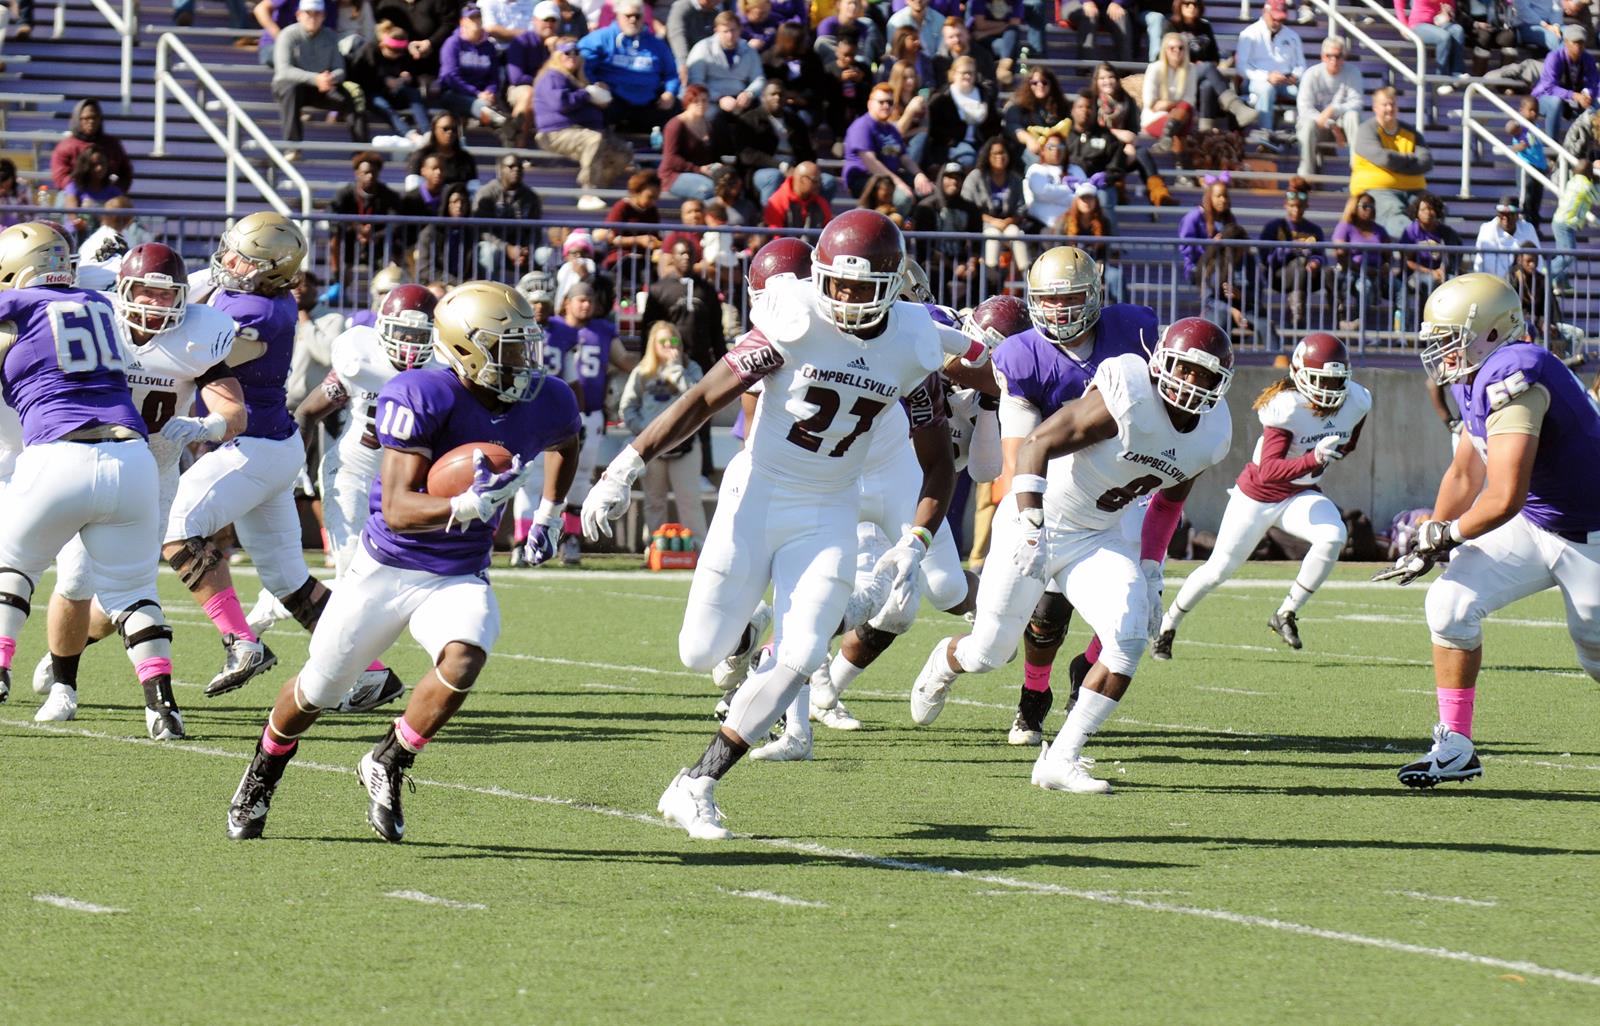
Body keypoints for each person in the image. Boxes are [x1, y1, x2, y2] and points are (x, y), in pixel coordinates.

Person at [580, 209, 988, 837]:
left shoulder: (913, 342)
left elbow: (940, 465)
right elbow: (702, 398)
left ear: (891, 283)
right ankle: (745, 637)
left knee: (800, 654)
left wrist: (915, 540)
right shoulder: (791, 317)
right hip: (759, 497)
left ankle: (697, 782)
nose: (846, 299)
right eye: (836, 284)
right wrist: (626, 465)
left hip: (828, 508)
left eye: (861, 287)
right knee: (699, 652)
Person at [224, 281, 582, 842]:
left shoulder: (548, 398)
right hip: (387, 567)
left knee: (465, 658)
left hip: (458, 572)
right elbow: (396, 509)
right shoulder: (422, 393)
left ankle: (389, 759)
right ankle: (262, 774)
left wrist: (550, 515)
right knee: (317, 691)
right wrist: (461, 503)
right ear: (465, 348)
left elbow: (568, 440)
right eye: (507, 348)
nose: (524, 361)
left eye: (526, 346)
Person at [910, 317, 1234, 793]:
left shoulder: (1211, 434)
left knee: (1127, 637)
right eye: (1184, 369)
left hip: (1097, 536)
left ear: (1220, 383)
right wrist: (1028, 523)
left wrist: (1149, 568)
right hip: (1037, 521)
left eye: (1203, 376)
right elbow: (1038, 443)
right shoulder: (1128, 390)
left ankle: (1061, 757)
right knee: (990, 652)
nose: (1190, 383)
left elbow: (1169, 501)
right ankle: (946, 659)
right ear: (1161, 360)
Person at [1375, 273, 1600, 789]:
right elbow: (1465, 471)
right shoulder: (1471, 374)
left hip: (1590, 531)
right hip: (1536, 523)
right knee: (1449, 606)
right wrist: (1431, 532)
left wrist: (1447, 536)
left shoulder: (1517, 377)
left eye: (1450, 335)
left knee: (1595, 653)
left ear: (1495, 333)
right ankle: (1454, 747)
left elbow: (1503, 497)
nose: (1440, 348)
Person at [166, 214, 399, 707]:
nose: (227, 261)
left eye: (240, 257)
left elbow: (205, 354)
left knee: (177, 527)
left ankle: (241, 641)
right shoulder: (253, 292)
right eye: (229, 251)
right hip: (269, 446)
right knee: (289, 581)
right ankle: (373, 673)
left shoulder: (262, 311)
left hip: (254, 448)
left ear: (268, 269)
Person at [25, 243, 243, 730]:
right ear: (122, 289)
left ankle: (74, 649)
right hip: (89, 461)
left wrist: (207, 428)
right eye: (145, 291)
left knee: (129, 590)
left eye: (166, 296)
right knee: (77, 579)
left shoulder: (196, 340)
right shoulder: (98, 326)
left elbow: (234, 412)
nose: (154, 303)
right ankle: (66, 685)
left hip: (154, 476)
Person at [0, 223, 182, 732]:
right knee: (133, 591)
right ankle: (162, 703)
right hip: (133, 460)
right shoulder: (99, 303)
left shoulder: (19, 304)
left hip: (60, 453)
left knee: (13, 568)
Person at [1156, 333, 1370, 657]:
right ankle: (1167, 626)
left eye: (1334, 382)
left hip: (1299, 495)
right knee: (1218, 571)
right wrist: (1315, 458)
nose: (1328, 391)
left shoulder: (1357, 400)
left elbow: (1348, 440)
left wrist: (1331, 453)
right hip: (1257, 496)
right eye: (1320, 381)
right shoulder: (1286, 407)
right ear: (1299, 374)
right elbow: (1269, 469)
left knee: (1333, 535)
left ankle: (1286, 612)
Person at [293, 284, 438, 577]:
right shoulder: (362, 360)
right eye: (401, 333)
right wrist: (294, 464)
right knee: (353, 571)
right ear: (382, 328)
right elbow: (307, 411)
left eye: (418, 336)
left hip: (404, 487)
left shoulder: (441, 372)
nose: (409, 344)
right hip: (352, 473)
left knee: (399, 577)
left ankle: (277, 604)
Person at [553, 281, 631, 563]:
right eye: (580, 299)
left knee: (581, 476)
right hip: (553, 411)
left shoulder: (602, 330)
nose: (585, 305)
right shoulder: (552, 327)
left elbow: (622, 360)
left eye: (589, 300)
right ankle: (538, 536)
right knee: (539, 481)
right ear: (566, 302)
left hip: (590, 413)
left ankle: (571, 538)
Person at [620, 320, 709, 540]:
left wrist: (676, 370)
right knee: (654, 501)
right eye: (663, 342)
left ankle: (698, 551)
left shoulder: (691, 368)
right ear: (654, 345)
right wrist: (644, 431)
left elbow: (698, 399)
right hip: (653, 449)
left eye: (674, 340)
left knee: (689, 501)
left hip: (685, 445)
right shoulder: (643, 372)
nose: (670, 345)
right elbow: (627, 407)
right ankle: (654, 548)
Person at [534, 37, 634, 213]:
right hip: (555, 133)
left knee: (624, 151)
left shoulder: (578, 79)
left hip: (581, 130)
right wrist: (587, 94)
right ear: (557, 55)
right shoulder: (552, 76)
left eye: (576, 52)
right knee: (593, 140)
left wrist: (599, 96)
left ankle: (598, 186)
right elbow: (561, 103)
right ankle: (587, 193)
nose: (572, 56)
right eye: (567, 52)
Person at [271, 0, 366, 149]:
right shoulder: (287, 34)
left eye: (317, 14)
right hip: (293, 85)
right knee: (290, 89)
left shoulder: (330, 36)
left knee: (354, 96)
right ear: (299, 15)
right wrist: (315, 78)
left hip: (322, 86)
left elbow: (340, 68)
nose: (313, 18)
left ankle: (362, 150)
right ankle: (292, 146)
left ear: (323, 16)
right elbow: (284, 70)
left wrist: (331, 78)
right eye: (308, 14)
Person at [580, 0, 680, 131]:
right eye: (628, 16)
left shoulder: (656, 44)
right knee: (593, 100)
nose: (633, 20)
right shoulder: (601, 38)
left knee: (676, 108)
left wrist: (670, 93)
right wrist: (594, 82)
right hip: (613, 98)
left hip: (647, 99)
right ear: (618, 15)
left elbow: (671, 74)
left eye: (637, 16)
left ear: (643, 17)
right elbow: (581, 64)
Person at [1351, 85, 1434, 238]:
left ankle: (1435, 251)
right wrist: (1410, 160)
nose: (1389, 108)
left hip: (1414, 191)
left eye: (1393, 104)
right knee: (1394, 214)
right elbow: (1385, 158)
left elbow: (1426, 162)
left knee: (1433, 210)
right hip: (1378, 191)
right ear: (1375, 107)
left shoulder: (1411, 132)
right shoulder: (1366, 130)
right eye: (1385, 104)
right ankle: (1420, 243)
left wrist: (1395, 165)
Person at [729, 81, 821, 204]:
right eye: (773, 94)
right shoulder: (749, 120)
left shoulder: (795, 121)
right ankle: (769, 220)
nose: (777, 97)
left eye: (781, 94)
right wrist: (781, 166)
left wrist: (803, 170)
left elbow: (807, 151)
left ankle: (816, 220)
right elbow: (747, 155)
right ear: (763, 97)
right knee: (773, 176)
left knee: (826, 181)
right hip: (763, 169)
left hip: (795, 169)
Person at [328, 151, 405, 297]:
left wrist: (376, 235)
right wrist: (356, 228)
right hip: (350, 240)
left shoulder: (389, 195)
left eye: (373, 173)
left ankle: (390, 286)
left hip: (379, 243)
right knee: (334, 238)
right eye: (365, 172)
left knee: (397, 244)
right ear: (357, 173)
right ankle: (337, 283)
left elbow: (396, 222)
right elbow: (333, 215)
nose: (370, 176)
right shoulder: (345, 194)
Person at [842, 82, 932, 201]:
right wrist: (898, 183)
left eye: (889, 102)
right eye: (881, 102)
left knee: (929, 190)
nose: (886, 106)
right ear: (870, 104)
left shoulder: (891, 129)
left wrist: (919, 175)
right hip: (866, 179)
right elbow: (871, 163)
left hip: (890, 178)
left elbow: (904, 158)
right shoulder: (862, 126)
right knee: (902, 198)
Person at [1258, 178, 1326, 327]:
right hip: (1278, 275)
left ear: (1306, 205)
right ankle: (1297, 316)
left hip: (1309, 276)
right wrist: (1290, 248)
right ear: (1286, 205)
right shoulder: (1274, 226)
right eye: (1292, 206)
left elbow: (1321, 255)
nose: (1296, 210)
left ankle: (1340, 320)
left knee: (1330, 273)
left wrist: (1316, 262)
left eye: (1300, 206)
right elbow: (1266, 259)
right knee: (1299, 265)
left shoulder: (1314, 229)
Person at [348, 21, 433, 139]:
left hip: (395, 93)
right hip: (371, 94)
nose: (397, 55)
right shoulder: (369, 51)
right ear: (383, 45)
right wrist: (384, 81)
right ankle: (410, 134)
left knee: (414, 94)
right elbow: (358, 77)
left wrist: (407, 76)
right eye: (393, 51)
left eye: (400, 52)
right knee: (383, 105)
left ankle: (427, 132)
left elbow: (414, 75)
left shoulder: (402, 55)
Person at [1296, 36, 1363, 178]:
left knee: (1353, 116)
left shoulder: (1353, 72)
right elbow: (1304, 109)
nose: (1334, 60)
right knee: (1307, 125)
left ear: (1343, 57)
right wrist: (1330, 123)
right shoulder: (1311, 74)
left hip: (1342, 128)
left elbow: (1357, 103)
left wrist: (1333, 109)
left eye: (1338, 56)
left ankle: (1358, 169)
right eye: (1329, 56)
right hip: (1319, 125)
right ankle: (1305, 176)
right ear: (1322, 57)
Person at [962, 135, 1029, 276]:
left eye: (1003, 152)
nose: (1000, 156)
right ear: (988, 155)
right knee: (992, 234)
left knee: (1016, 234)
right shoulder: (976, 177)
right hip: (984, 224)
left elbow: (1021, 208)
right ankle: (990, 275)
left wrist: (1008, 221)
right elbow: (967, 205)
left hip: (1008, 224)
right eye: (996, 153)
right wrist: (993, 221)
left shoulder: (1015, 179)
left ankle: (1026, 274)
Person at [1234, 0, 1304, 134]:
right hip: (1256, 80)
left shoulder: (1293, 36)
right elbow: (1241, 67)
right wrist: (1266, 76)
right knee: (1266, 90)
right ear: (1265, 12)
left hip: (1286, 81)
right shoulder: (1249, 33)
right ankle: (1265, 135)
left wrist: (1295, 75)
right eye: (1274, 18)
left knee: (1307, 91)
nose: (1277, 22)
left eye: (1281, 19)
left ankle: (1308, 135)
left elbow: (1301, 65)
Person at [922, 56, 1001, 172]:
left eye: (971, 73)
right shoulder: (942, 97)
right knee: (969, 159)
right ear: (953, 74)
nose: (967, 76)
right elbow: (935, 128)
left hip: (981, 142)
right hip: (953, 144)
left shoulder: (984, 94)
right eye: (964, 73)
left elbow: (994, 123)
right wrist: (949, 140)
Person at [439, 5, 510, 129]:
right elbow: (450, 77)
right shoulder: (452, 44)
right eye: (472, 18)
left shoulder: (489, 46)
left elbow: (494, 76)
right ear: (462, 22)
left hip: (482, 96)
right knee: (481, 106)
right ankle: (502, 125)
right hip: (453, 94)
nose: (476, 21)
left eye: (478, 17)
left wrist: (490, 91)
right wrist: (477, 93)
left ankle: (500, 126)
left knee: (484, 104)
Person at [687, 10, 765, 121]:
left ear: (740, 29)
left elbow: (759, 78)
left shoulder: (749, 51)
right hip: (710, 101)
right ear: (716, 31)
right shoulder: (702, 48)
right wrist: (719, 98)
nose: (730, 35)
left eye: (733, 30)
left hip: (741, 101)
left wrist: (749, 93)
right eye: (725, 31)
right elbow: (696, 81)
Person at [1331, 191, 1392, 330]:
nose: (1369, 209)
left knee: (1401, 289)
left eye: (1371, 206)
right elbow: (1340, 253)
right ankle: (1359, 323)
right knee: (1365, 286)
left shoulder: (1379, 230)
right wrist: (1361, 269)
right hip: (1353, 273)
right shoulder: (1345, 226)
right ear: (1354, 207)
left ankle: (1402, 332)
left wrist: (1386, 266)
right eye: (1365, 206)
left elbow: (1388, 254)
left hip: (1377, 273)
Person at [1399, 192, 1461, 324]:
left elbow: (1453, 254)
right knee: (1429, 283)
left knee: (1456, 285)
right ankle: (1426, 323)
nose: (1428, 212)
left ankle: (1449, 325)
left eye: (1431, 208)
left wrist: (1442, 270)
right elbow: (1407, 261)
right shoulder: (1411, 232)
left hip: (1441, 273)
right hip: (1416, 274)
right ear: (1416, 212)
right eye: (1423, 209)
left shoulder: (1445, 232)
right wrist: (1431, 272)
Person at [1532, 24, 1600, 145]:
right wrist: (1575, 95)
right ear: (1566, 42)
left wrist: (1587, 94)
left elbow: (1594, 82)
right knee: (1555, 101)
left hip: (1574, 99)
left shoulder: (1588, 59)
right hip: (1544, 99)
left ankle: (1592, 145)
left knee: (1596, 103)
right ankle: (1552, 145)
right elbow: (1549, 87)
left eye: (1581, 43)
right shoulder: (1554, 57)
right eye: (1575, 42)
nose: (1578, 46)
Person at [50, 99, 135, 194]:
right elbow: (60, 177)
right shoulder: (65, 146)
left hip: (107, 195)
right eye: (86, 118)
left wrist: (114, 190)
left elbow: (126, 173)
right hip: (74, 194)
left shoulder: (112, 144)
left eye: (95, 118)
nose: (91, 121)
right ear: (77, 120)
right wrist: (80, 190)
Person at [660, 85, 723, 201]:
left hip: (703, 173)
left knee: (727, 186)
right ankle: (712, 218)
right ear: (687, 103)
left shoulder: (709, 125)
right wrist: (698, 169)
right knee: (708, 190)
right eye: (695, 101)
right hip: (674, 175)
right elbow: (671, 159)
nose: (701, 104)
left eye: (704, 100)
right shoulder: (675, 125)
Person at [598, 169, 663, 277]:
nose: (653, 202)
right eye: (650, 197)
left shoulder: (653, 211)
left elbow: (656, 238)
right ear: (638, 191)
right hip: (622, 259)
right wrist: (639, 240)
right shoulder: (622, 207)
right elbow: (612, 239)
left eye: (655, 198)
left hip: (645, 260)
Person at [1549, 156, 1600, 293]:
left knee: (1564, 254)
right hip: (1565, 224)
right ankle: (1546, 273)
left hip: (1561, 222)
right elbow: (1597, 199)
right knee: (1569, 255)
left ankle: (1561, 280)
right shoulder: (1585, 185)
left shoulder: (1574, 180)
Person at [1005, 67, 1070, 167]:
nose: (1040, 85)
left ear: (1051, 84)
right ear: (1029, 85)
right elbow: (1013, 126)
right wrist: (1029, 140)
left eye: (1044, 82)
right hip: (1029, 153)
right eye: (1035, 83)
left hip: (1055, 150)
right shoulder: (1018, 107)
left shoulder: (1061, 107)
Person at [414, 183, 476, 284]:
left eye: (463, 202)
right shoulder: (430, 233)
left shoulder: (470, 233)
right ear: (446, 204)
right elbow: (425, 269)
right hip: (435, 284)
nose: (459, 206)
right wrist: (455, 282)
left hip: (463, 286)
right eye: (454, 202)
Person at [1178, 173, 1235, 281]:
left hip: (1222, 266)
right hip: (1197, 267)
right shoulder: (1194, 217)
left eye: (1225, 196)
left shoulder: (1229, 218)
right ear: (1209, 197)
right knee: (1216, 279)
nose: (1223, 200)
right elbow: (1186, 247)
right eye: (1219, 196)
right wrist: (1210, 246)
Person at [58, 145, 125, 238]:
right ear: (85, 166)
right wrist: (79, 222)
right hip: (77, 236)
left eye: (102, 163)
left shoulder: (114, 191)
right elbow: (72, 213)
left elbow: (120, 218)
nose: (99, 168)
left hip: (104, 238)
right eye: (94, 165)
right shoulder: (74, 187)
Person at [1507, 95, 1551, 230]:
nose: (1534, 113)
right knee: (1526, 198)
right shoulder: (1520, 126)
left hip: (1540, 168)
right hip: (1527, 167)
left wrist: (1546, 163)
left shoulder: (1536, 127)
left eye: (1536, 111)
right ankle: (1523, 226)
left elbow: (1537, 147)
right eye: (1530, 110)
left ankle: (1534, 227)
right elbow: (1511, 129)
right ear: (1521, 110)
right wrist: (1517, 146)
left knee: (1536, 200)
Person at [1471, 194, 1539, 278]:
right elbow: (1486, 263)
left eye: (1510, 214)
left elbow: (1537, 260)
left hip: (1521, 284)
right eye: (1501, 214)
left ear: (1517, 215)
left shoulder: (1528, 228)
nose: (1505, 218)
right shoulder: (1486, 229)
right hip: (1493, 283)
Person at [1400, 0, 1466, 84]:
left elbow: (1451, 4)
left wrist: (1448, 12)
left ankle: (1457, 72)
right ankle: (1442, 79)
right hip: (1418, 25)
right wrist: (1403, 25)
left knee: (1457, 30)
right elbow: (1398, 2)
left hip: (1438, 24)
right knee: (1444, 37)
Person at [407, 112, 479, 188]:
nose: (450, 132)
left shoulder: (466, 159)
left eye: (454, 129)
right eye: (445, 129)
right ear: (434, 130)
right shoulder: (419, 157)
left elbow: (473, 191)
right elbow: (413, 191)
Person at [1023, 129, 1076, 231]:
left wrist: (1054, 194)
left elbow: (1081, 197)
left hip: (1070, 224)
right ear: (1042, 150)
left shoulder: (1075, 170)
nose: (1056, 150)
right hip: (1040, 224)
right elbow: (1042, 193)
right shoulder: (1036, 169)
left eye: (1061, 146)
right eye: (1051, 147)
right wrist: (1069, 189)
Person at [763, 161, 833, 228]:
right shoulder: (777, 202)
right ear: (802, 179)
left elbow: (828, 233)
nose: (819, 185)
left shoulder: (821, 203)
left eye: (820, 181)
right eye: (815, 181)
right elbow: (775, 236)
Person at [1058, 0, 1132, 62]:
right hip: (1075, 3)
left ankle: (1125, 69)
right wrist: (1086, 1)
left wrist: (1117, 3)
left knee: (1121, 16)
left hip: (1107, 5)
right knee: (1089, 16)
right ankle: (1087, 68)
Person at [666, 0, 726, 68]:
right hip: (686, 60)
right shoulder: (682, 6)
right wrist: (683, 63)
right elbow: (677, 35)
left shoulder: (717, 11)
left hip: (710, 62)